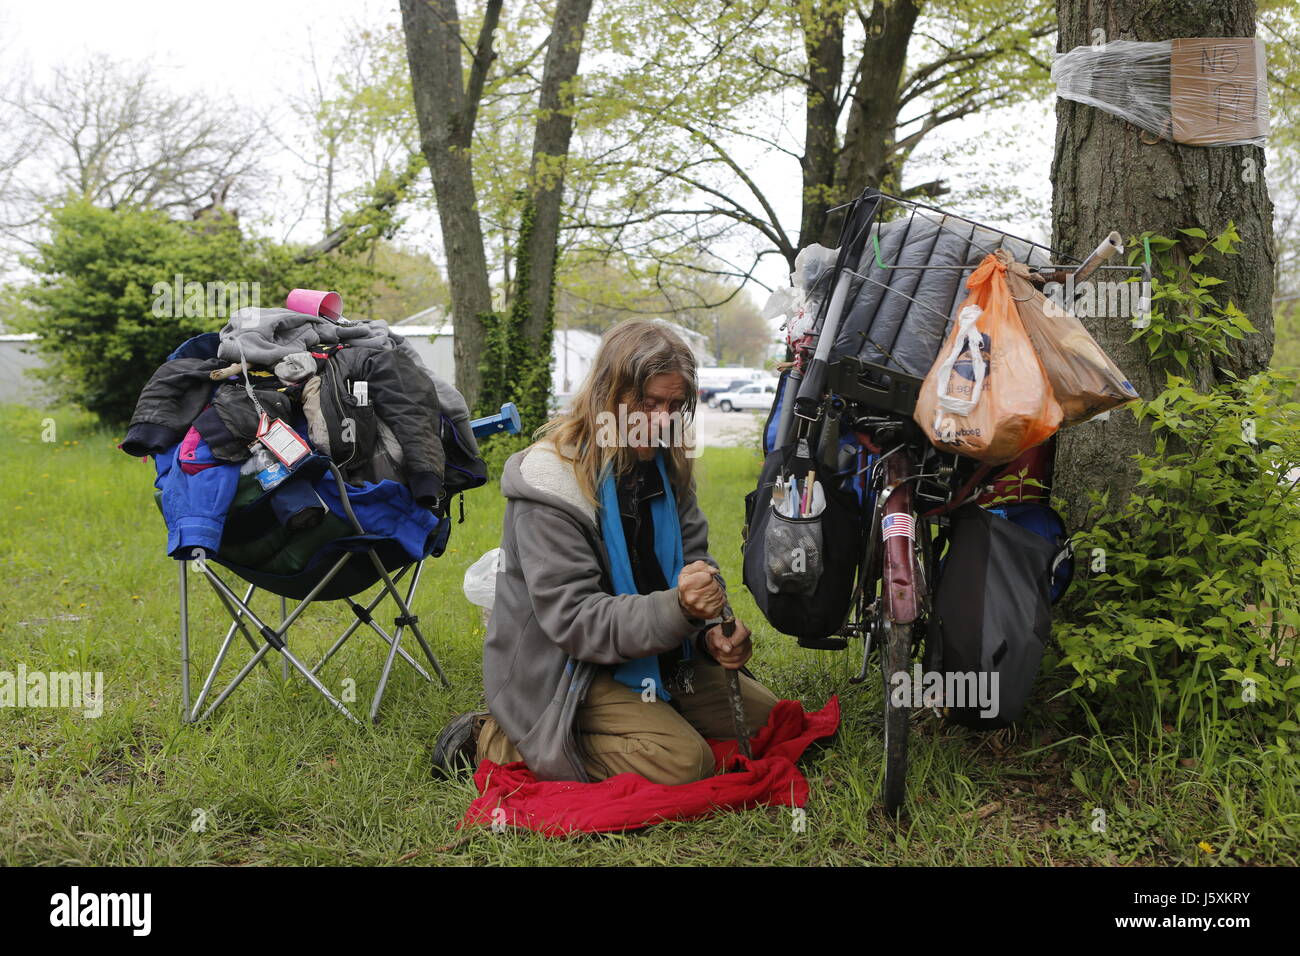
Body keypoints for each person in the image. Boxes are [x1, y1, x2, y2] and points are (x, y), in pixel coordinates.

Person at [432, 319, 778, 784]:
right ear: (606, 395)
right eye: (649, 402)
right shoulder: (551, 483)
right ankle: (494, 738)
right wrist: (678, 609)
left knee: (768, 723)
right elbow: (575, 623)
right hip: (569, 671)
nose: (661, 420)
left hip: (657, 650)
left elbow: (697, 564)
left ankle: (653, 720)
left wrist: (712, 630)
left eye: (674, 406)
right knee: (684, 763)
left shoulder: (668, 470)